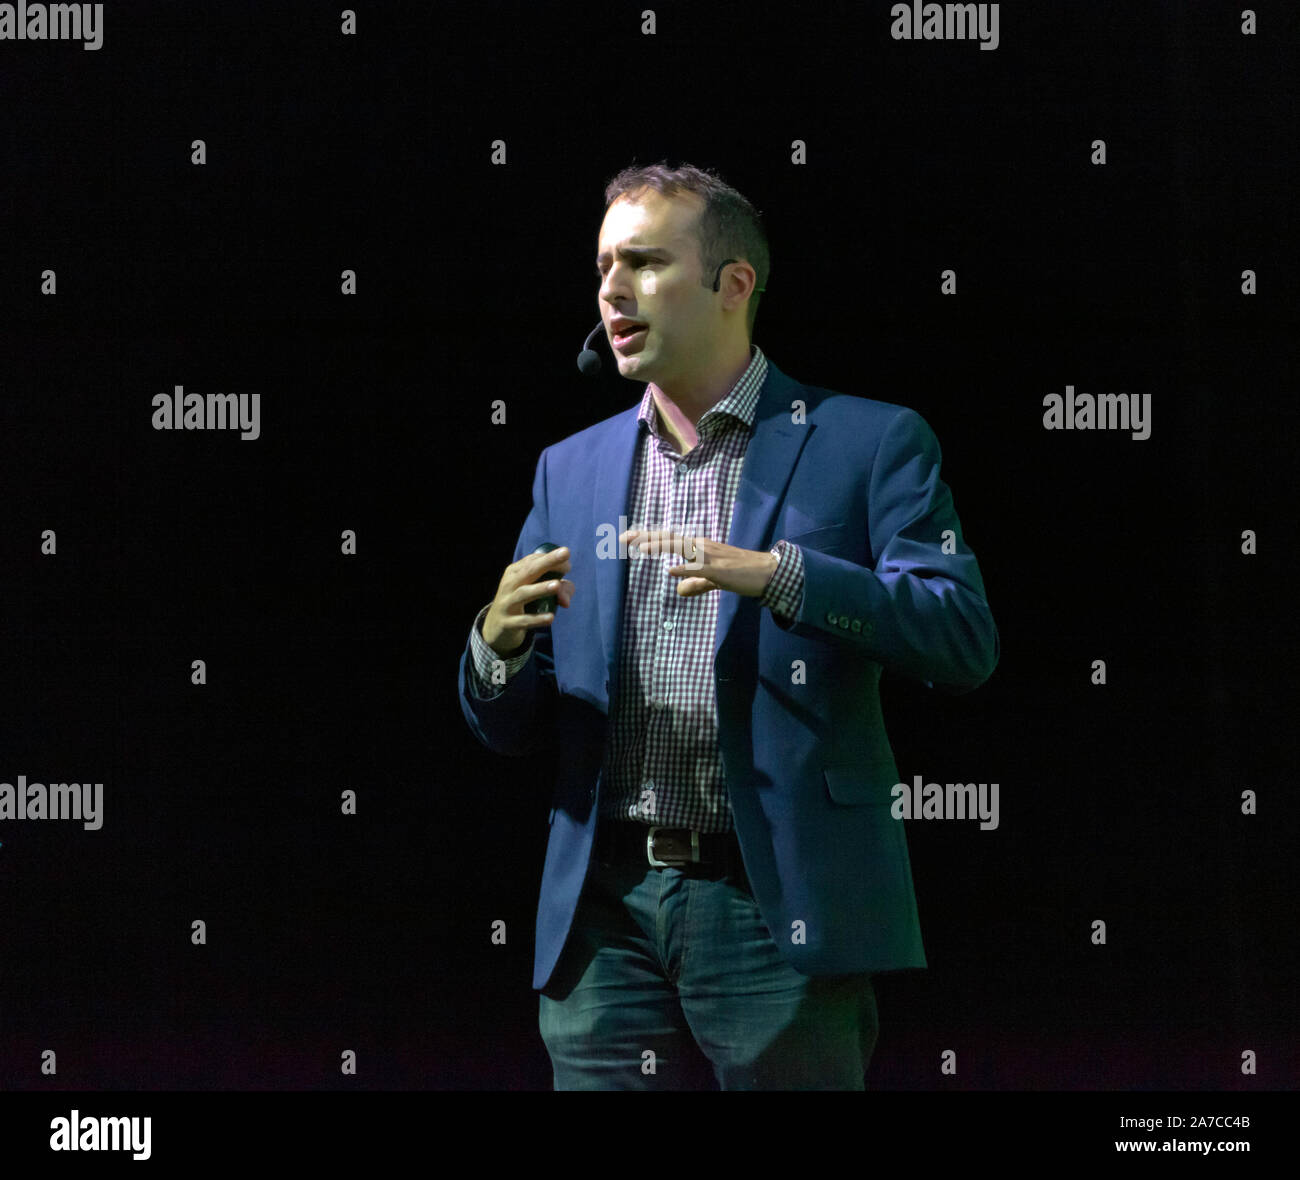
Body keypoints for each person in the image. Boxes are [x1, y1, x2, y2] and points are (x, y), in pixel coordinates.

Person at [457, 161, 999, 1090]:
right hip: (605, 916)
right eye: (603, 268)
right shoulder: (569, 469)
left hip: (772, 909)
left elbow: (960, 639)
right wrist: (494, 651)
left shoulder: (867, 442)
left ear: (732, 285)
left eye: (645, 263)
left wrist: (783, 575)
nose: (612, 292)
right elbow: (509, 724)